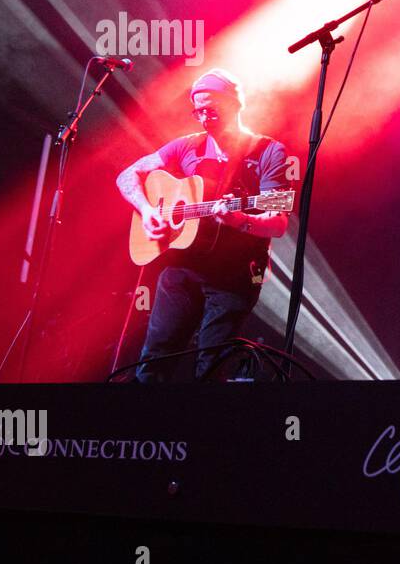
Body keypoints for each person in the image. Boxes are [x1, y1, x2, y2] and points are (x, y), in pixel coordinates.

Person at [116, 70, 292, 382]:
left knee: (210, 367)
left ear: (235, 104)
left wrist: (241, 221)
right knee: (155, 360)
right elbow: (127, 175)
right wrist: (147, 210)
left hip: (236, 275)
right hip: (183, 268)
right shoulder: (187, 146)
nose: (204, 118)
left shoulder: (268, 152)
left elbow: (278, 222)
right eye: (198, 111)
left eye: (212, 109)